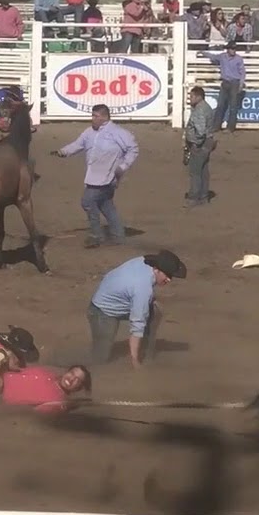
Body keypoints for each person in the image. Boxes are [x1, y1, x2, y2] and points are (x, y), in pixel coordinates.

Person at [52, 105, 140, 248]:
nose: (92, 119)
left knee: (87, 202)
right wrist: (63, 152)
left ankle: (97, 235)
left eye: (96, 116)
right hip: (93, 176)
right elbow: (78, 144)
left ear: (105, 117)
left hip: (108, 177)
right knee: (106, 205)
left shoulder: (118, 133)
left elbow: (133, 149)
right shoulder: (89, 132)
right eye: (92, 115)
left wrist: (123, 166)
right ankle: (118, 236)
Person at [86, 251, 187, 367]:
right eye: (167, 275)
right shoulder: (142, 287)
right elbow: (137, 326)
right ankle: (97, 369)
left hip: (120, 300)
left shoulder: (146, 261)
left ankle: (147, 355)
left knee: (155, 310)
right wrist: (135, 362)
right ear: (156, 269)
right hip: (102, 311)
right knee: (101, 357)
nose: (169, 280)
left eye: (171, 276)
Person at [1, 365, 92, 414]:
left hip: (0, 395)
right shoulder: (46, 373)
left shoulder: (57, 403)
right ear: (66, 372)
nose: (71, 379)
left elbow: (32, 413)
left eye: (77, 380)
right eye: (72, 373)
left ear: (78, 388)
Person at [199, 41, 245, 132]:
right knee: (220, 105)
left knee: (233, 106)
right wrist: (203, 53)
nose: (233, 50)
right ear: (228, 49)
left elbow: (242, 72)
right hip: (225, 82)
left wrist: (241, 84)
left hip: (234, 83)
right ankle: (216, 126)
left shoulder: (238, 59)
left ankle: (230, 127)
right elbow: (212, 56)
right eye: (232, 48)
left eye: (234, 49)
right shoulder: (222, 57)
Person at [184, 86, 216, 207]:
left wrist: (195, 143)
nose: (190, 99)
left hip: (200, 144)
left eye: (192, 97)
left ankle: (193, 198)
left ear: (199, 97)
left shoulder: (199, 110)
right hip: (208, 141)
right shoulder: (207, 107)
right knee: (203, 170)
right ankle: (204, 196)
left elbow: (200, 131)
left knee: (195, 171)